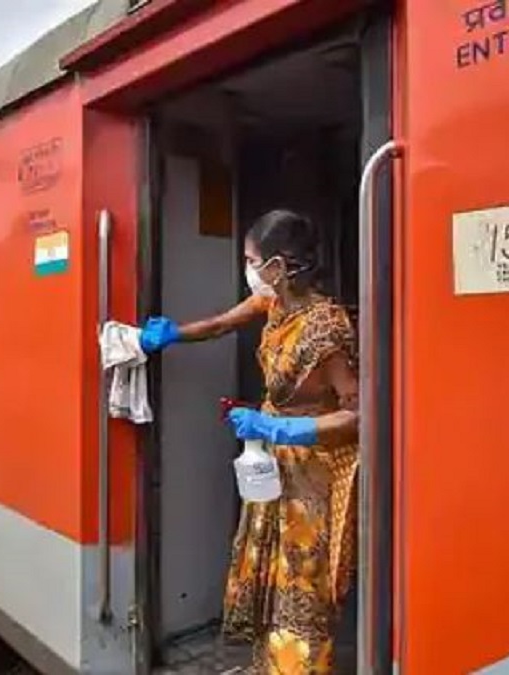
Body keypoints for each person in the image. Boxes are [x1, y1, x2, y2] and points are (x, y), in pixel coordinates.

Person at [139, 209, 359, 673]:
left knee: (302, 581)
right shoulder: (273, 304)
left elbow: (357, 416)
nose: (248, 269)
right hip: (274, 467)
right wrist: (174, 334)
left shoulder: (328, 328)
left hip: (311, 474)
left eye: (250, 260)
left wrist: (285, 429)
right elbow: (221, 323)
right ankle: (268, 664)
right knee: (270, 571)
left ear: (276, 267)